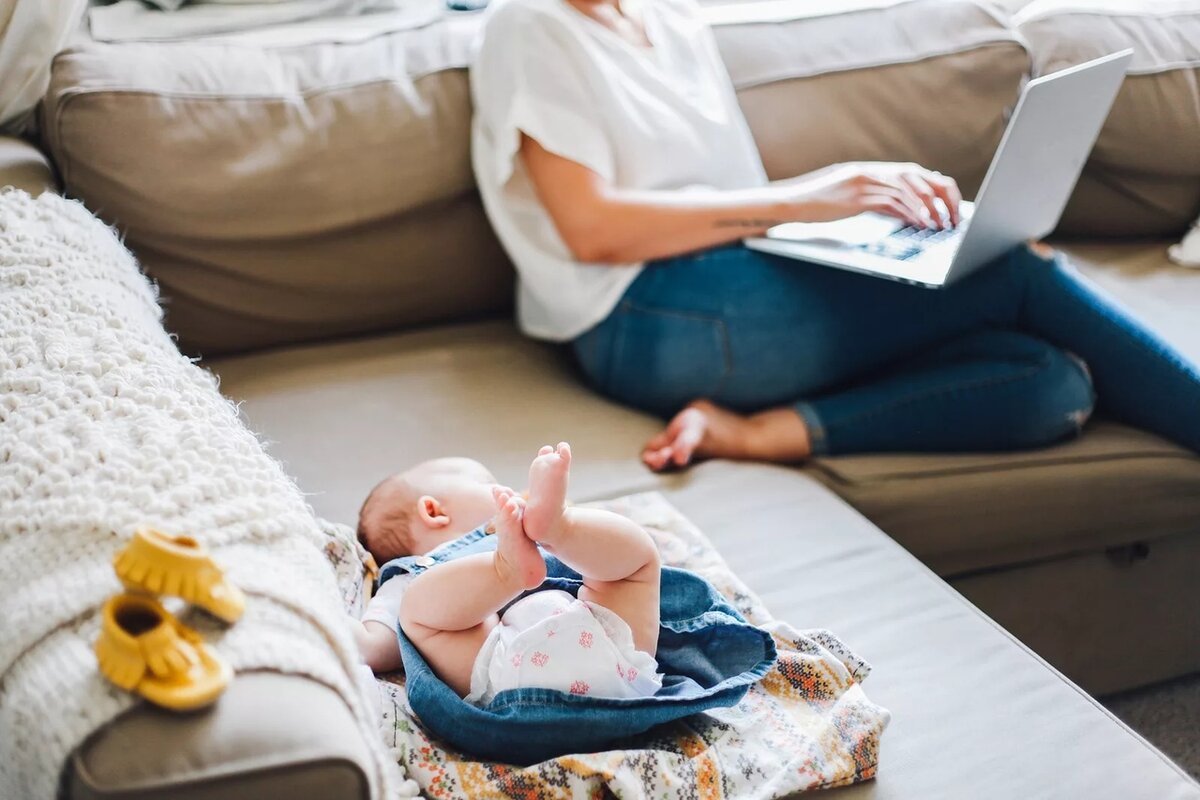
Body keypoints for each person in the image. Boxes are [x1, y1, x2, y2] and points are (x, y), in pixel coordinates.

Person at [469, 0, 1200, 470]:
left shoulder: (668, 18)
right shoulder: (527, 26)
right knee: (1014, 270)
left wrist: (846, 231)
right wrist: (812, 199)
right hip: (639, 315)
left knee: (1052, 385)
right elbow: (591, 230)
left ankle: (762, 433)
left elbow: (723, 195)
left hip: (735, 282)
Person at [349, 444, 775, 762]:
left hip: (559, 661)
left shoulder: (504, 540)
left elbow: (373, 644)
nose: (507, 489)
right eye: (487, 482)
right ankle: (519, 560)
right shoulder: (413, 572)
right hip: (582, 677)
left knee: (636, 557)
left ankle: (559, 529)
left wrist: (558, 538)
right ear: (433, 510)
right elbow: (375, 645)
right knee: (420, 607)